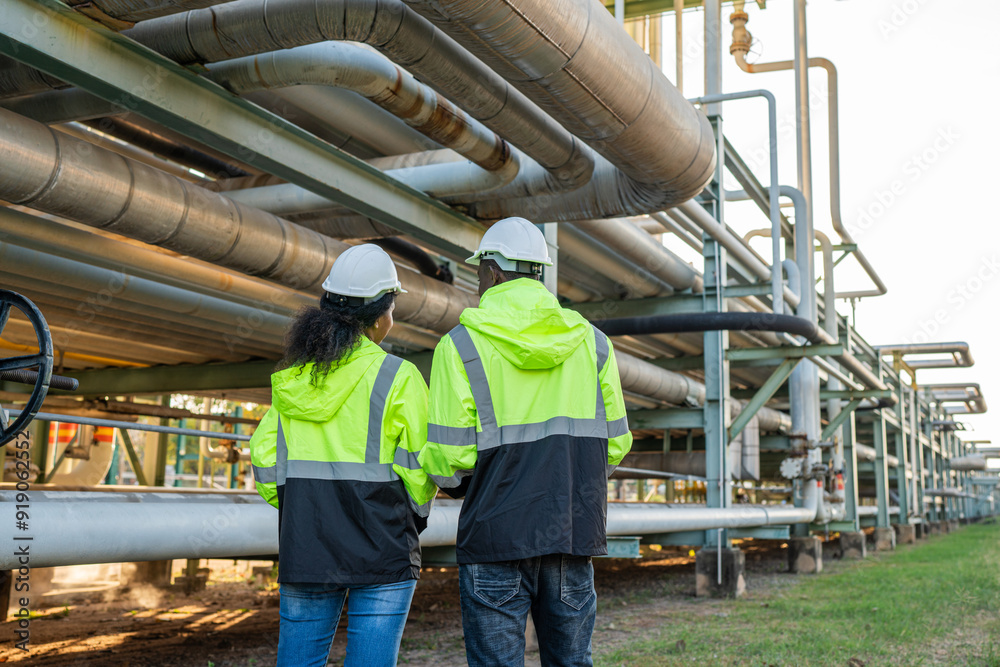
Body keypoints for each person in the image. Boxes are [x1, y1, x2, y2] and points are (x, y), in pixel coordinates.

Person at [419, 217, 633, 667]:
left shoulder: (459, 345)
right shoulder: (593, 344)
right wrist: (564, 477)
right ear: (539, 271)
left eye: (479, 270)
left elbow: (447, 462)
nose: (478, 279)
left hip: (495, 536)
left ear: (494, 271)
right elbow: (613, 446)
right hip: (571, 534)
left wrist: (470, 485)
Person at [249, 244, 436, 667]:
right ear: (378, 316)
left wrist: (302, 506)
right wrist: (414, 514)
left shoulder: (291, 380)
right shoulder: (398, 376)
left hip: (306, 544)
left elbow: (264, 461)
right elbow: (422, 468)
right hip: (384, 546)